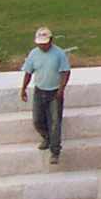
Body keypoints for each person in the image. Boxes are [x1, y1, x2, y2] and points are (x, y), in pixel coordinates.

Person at [19, 26, 71, 164]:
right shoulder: (33, 54)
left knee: (55, 122)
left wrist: (61, 89)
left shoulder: (59, 53)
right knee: (37, 120)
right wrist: (23, 89)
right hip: (39, 91)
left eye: (45, 44)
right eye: (40, 44)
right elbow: (28, 72)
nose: (42, 46)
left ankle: (55, 151)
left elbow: (66, 71)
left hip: (54, 92)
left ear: (50, 41)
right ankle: (47, 138)